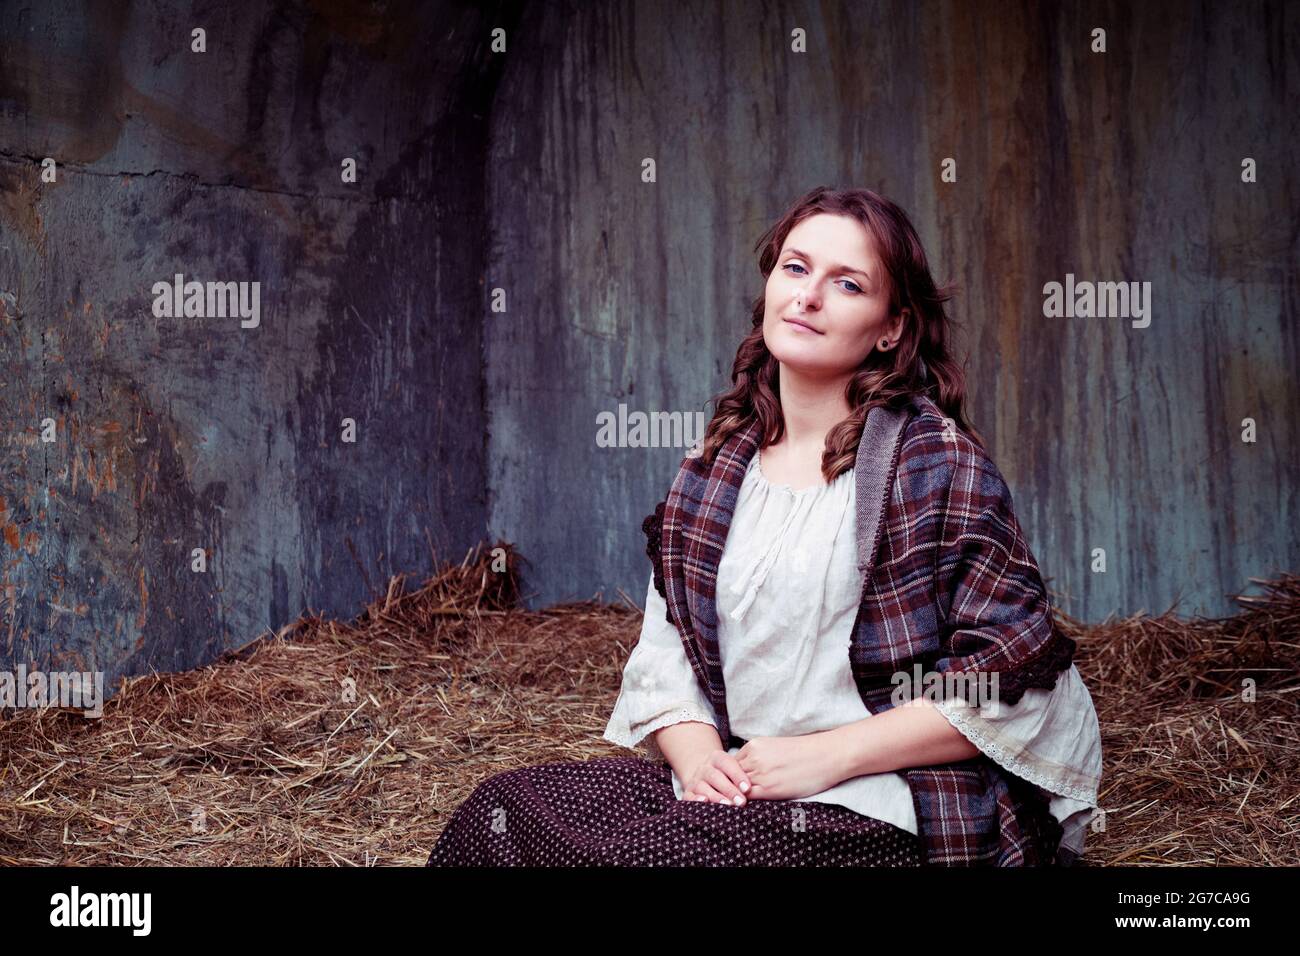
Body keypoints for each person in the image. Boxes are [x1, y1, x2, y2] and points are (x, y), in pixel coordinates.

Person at [426, 186, 1103, 867]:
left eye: (847, 284)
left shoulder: (936, 464)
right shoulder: (717, 466)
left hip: (878, 799)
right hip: (742, 782)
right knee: (497, 815)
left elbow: (1009, 677)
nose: (808, 297)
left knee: (654, 862)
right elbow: (669, 653)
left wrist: (822, 758)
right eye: (795, 267)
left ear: (892, 327)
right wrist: (699, 760)